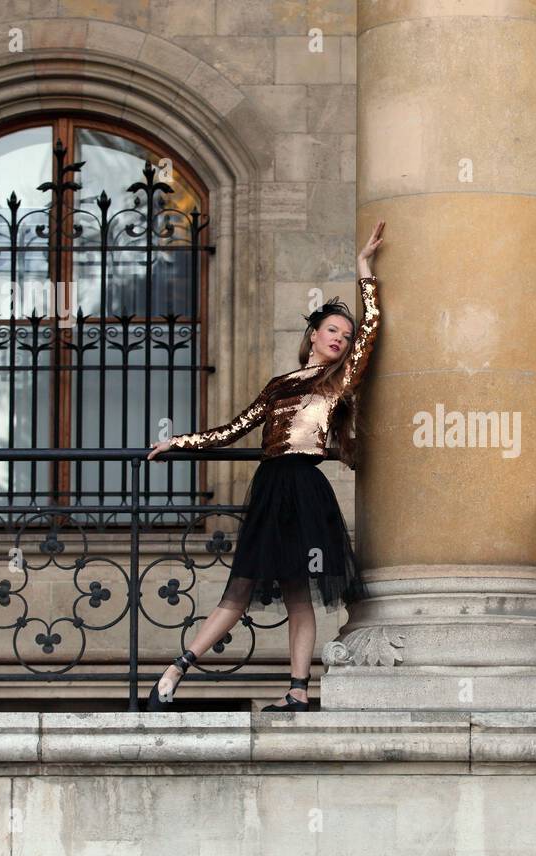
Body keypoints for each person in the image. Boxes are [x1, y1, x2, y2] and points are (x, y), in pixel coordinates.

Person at [145, 221, 386, 712]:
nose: (340, 339)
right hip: (271, 489)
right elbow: (231, 430)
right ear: (313, 334)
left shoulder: (338, 382)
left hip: (305, 490)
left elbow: (373, 331)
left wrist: (364, 271)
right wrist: (179, 442)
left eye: (346, 334)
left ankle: (299, 691)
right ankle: (174, 672)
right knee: (238, 592)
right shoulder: (279, 384)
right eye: (332, 331)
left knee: (300, 597)